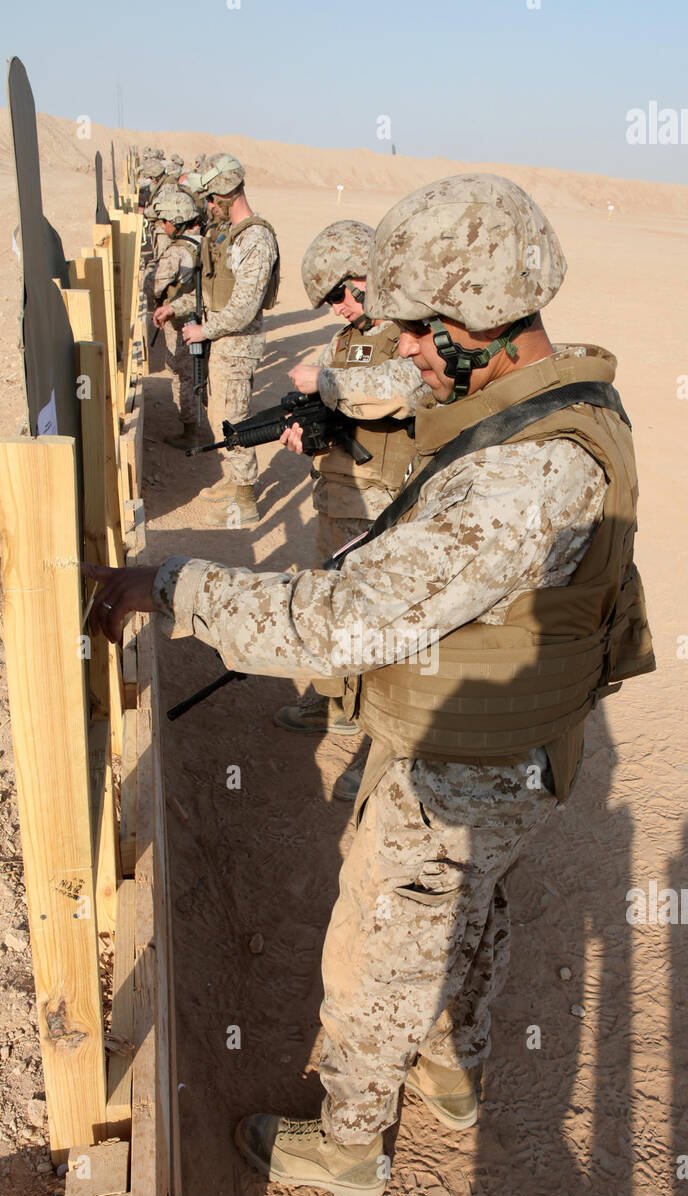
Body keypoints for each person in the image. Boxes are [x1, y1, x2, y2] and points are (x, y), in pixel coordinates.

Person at [85, 173, 655, 1196]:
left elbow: (339, 619)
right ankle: (452, 1065)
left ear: (474, 324)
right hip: (523, 744)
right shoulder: (563, 403)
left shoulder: (522, 475)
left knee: (382, 936)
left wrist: (168, 587)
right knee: (469, 906)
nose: (407, 356)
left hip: (467, 759)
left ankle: (349, 1142)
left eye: (420, 337)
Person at [272, 219, 432, 801]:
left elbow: (403, 387)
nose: (338, 309)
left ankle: (377, 750)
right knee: (334, 604)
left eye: (341, 293)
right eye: (330, 301)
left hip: (387, 503)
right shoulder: (349, 339)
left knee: (380, 622)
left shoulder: (415, 332)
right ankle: (337, 702)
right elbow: (345, 413)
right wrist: (309, 433)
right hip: (342, 497)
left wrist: (327, 381)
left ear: (367, 274)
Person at [153, 153, 279, 526]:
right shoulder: (226, 235)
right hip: (222, 341)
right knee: (219, 414)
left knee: (233, 420)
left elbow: (243, 308)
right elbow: (209, 296)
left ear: (226, 193)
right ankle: (231, 479)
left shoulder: (256, 240)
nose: (207, 206)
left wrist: (202, 331)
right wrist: (175, 309)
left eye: (211, 198)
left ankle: (245, 500)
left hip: (237, 344)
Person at [146, 186, 204, 450]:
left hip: (181, 321)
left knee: (182, 374)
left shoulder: (176, 251)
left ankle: (190, 431)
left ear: (177, 222)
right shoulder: (205, 243)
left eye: (166, 222)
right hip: (205, 318)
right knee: (198, 371)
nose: (164, 227)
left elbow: (155, 285)